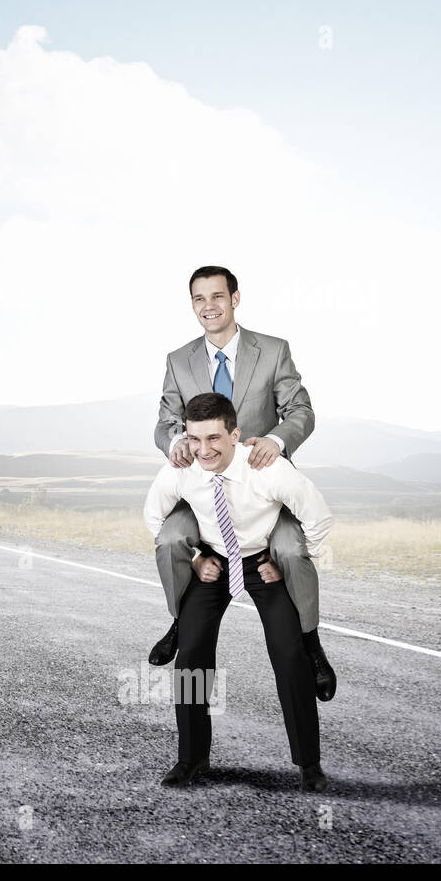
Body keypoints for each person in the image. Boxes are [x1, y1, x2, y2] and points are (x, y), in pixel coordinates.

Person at [150, 265, 335, 702]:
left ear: (235, 298)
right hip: (204, 487)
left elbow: (301, 411)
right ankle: (181, 621)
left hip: (261, 488)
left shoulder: (272, 350)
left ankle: (311, 645)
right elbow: (163, 423)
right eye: (199, 299)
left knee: (290, 549)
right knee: (168, 539)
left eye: (217, 296)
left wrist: (276, 439)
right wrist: (176, 441)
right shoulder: (178, 360)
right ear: (192, 305)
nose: (208, 306)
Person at [144, 393, 333, 791]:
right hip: (214, 562)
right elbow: (154, 517)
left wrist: (285, 563)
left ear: (235, 435)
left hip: (262, 563)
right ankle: (192, 759)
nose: (203, 449)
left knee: (289, 654)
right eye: (195, 439)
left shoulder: (268, 468)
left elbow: (317, 515)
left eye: (213, 438)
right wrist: (195, 559)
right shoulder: (181, 468)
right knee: (192, 656)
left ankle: (309, 765)